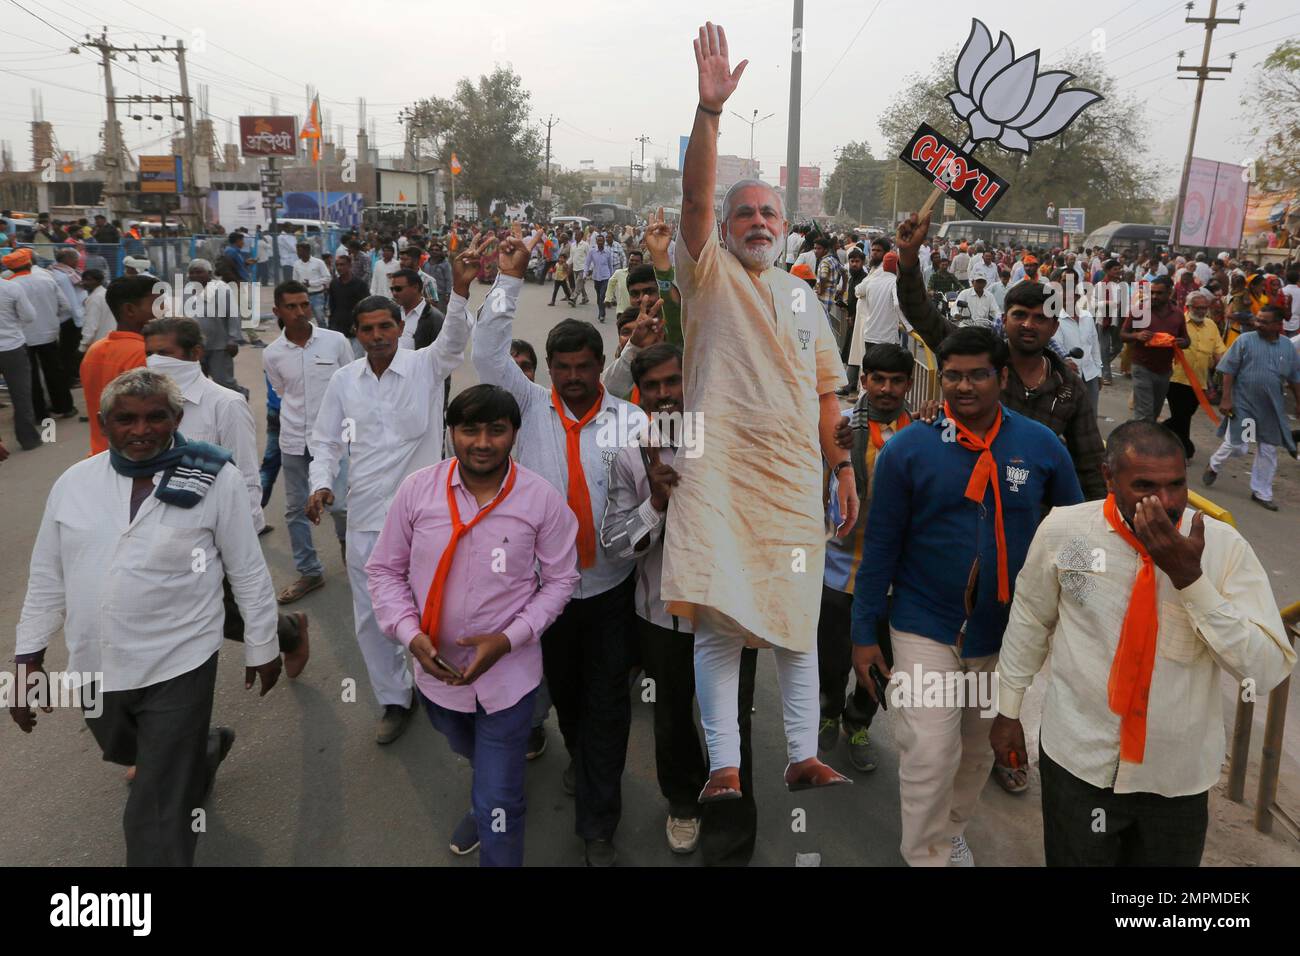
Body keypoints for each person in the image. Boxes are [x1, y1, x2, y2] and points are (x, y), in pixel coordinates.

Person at [663, 23, 854, 811]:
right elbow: (696, 197)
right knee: (717, 624)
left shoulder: (805, 296)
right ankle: (725, 767)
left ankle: (803, 755)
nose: (759, 223)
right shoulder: (704, 274)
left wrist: (843, 469)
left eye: (771, 214)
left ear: (787, 224)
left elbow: (826, 396)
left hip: (791, 483)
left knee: (797, 620)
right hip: (717, 477)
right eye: (746, 213)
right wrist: (709, 114)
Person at [993, 421, 1296, 866]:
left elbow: (1266, 670)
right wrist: (1008, 711)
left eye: (1176, 484)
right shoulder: (1066, 531)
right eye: (1144, 486)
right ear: (1109, 477)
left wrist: (1190, 580)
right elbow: (1030, 618)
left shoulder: (1223, 549)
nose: (1165, 501)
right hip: (1077, 762)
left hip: (1175, 779)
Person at [13, 367, 281, 865]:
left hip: (180, 658)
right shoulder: (74, 483)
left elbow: (246, 569)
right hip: (95, 662)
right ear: (103, 423)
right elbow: (47, 576)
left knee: (155, 808)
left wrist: (264, 644)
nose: (141, 431)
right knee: (122, 746)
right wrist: (27, 659)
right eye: (126, 420)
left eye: (156, 417)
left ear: (177, 418)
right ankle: (199, 750)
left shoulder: (211, 476)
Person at [851, 327, 1083, 866]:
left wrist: (1077, 612)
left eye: (978, 373)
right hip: (923, 625)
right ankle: (925, 855)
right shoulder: (909, 450)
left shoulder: (1041, 446)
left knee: (978, 751)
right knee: (930, 751)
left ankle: (952, 828)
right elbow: (879, 549)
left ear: (1001, 377)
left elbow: (1074, 535)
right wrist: (864, 634)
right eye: (952, 375)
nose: (964, 386)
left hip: (1006, 633)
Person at [472, 226, 645, 867]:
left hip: (608, 592)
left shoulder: (632, 422)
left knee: (607, 707)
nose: (573, 379)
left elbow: (641, 507)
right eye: (562, 368)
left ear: (602, 367)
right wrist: (508, 279)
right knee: (568, 700)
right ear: (548, 370)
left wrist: (639, 531)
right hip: (542, 598)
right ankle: (582, 757)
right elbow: (487, 355)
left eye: (584, 368)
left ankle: (598, 826)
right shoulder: (529, 407)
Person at [367, 384, 578, 865]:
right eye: (469, 429)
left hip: (509, 679)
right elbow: (384, 569)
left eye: (496, 430)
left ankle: (490, 809)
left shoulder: (541, 500)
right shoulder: (417, 490)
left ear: (514, 435)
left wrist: (508, 641)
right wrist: (408, 632)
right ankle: (486, 794)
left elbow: (563, 581)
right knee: (473, 753)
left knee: (499, 797)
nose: (482, 442)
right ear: (452, 433)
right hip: (436, 678)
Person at [307, 245, 476, 745]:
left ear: (399, 327)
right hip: (364, 521)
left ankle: (443, 685)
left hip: (427, 521)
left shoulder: (426, 367)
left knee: (439, 608)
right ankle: (394, 699)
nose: (378, 336)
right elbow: (326, 440)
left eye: (385, 327)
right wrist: (320, 482)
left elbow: (453, 343)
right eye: (367, 330)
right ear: (355, 336)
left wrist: (462, 291)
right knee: (373, 618)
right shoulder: (343, 382)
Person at [600, 342, 758, 862]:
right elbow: (616, 546)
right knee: (670, 718)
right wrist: (657, 504)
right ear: (641, 393)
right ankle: (683, 804)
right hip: (660, 617)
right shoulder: (627, 453)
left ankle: (731, 826)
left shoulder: (731, 443)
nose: (667, 395)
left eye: (676, 382)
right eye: (656, 387)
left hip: (727, 615)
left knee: (732, 721)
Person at [142, 316, 309, 676]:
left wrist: (244, 536)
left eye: (165, 353)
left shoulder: (224, 404)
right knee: (173, 612)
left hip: (212, 532)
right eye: (149, 354)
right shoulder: (143, 407)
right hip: (158, 529)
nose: (155, 362)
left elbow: (247, 476)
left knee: (219, 612)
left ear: (195, 353)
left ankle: (289, 634)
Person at [820, 343, 913, 773]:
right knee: (830, 656)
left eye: (897, 381)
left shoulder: (924, 433)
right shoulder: (837, 430)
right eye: (878, 379)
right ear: (865, 381)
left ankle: (857, 723)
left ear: (909, 385)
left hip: (895, 581)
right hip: (837, 571)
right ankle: (827, 711)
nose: (887, 389)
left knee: (880, 661)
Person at [263, 280, 354, 604]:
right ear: (278, 311)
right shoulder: (272, 354)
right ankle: (309, 571)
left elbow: (352, 384)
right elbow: (282, 392)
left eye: (304, 304)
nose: (301, 312)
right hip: (293, 441)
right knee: (294, 510)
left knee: (341, 506)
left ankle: (350, 553)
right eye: (292, 306)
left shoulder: (335, 342)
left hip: (334, 441)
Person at [1202, 303, 1300, 511]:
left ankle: (1262, 492)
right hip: (1244, 403)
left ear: (1277, 325)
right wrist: (1226, 398)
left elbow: (1294, 377)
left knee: (1268, 448)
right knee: (1239, 445)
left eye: (1264, 322)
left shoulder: (1287, 346)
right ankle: (1214, 464)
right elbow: (1228, 370)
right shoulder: (1245, 340)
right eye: (1257, 320)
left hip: (1271, 407)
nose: (1258, 324)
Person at [80, 276, 159, 454]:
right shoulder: (145, 354)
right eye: (158, 305)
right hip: (137, 454)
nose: (165, 309)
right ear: (130, 309)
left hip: (102, 452)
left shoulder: (95, 350)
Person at [4, 248, 78, 422]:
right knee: (55, 371)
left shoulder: (10, 283)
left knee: (31, 376)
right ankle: (64, 407)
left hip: (24, 337)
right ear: (30, 262)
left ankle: (39, 414)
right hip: (49, 334)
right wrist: (52, 319)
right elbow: (65, 306)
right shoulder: (46, 277)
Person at [1162, 290, 1225, 460]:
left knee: (1184, 415)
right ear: (1188, 307)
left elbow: (1219, 350)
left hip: (1200, 381)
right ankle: (1186, 450)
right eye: (1197, 307)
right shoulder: (1177, 321)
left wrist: (1224, 367)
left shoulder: (1211, 325)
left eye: (1204, 307)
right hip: (1176, 378)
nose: (1201, 311)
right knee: (1181, 415)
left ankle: (1157, 431)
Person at [1122, 275, 1189, 423]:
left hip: (1164, 370)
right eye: (1152, 292)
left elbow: (1186, 340)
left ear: (1169, 292)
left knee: (1154, 411)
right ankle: (1141, 443)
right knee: (1145, 414)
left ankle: (1136, 433)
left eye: (1159, 293)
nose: (1154, 296)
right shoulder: (1139, 310)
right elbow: (1123, 335)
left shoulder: (1177, 314)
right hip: (1142, 367)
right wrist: (1137, 335)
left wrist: (1181, 342)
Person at [0, 270, 40, 451]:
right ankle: (28, 439)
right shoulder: (11, 288)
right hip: (11, 347)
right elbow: (29, 316)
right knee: (21, 395)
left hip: (11, 345)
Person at [388, 268, 444, 351]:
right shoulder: (391, 313)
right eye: (392, 289)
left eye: (398, 289)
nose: (394, 293)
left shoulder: (435, 318)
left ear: (415, 288)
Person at [326, 253, 371, 357]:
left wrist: (359, 324)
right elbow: (332, 305)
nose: (339, 267)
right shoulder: (334, 284)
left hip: (355, 330)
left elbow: (366, 306)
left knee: (356, 360)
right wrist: (331, 325)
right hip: (338, 328)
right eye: (337, 265)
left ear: (350, 266)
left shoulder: (360, 284)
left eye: (342, 264)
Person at [292, 241, 331, 321]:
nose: (298, 253)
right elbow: (295, 280)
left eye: (300, 251)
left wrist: (311, 283)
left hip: (317, 295)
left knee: (320, 319)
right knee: (304, 319)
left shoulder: (319, 263)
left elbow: (327, 278)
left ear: (307, 251)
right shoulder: (296, 264)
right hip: (303, 297)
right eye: (297, 251)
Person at [585, 233, 615, 323]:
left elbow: (610, 266)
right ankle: (601, 312)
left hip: (606, 277)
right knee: (599, 297)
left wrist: (612, 277)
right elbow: (587, 263)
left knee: (602, 296)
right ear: (596, 242)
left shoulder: (607, 252)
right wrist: (585, 273)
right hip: (596, 277)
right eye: (598, 241)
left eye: (601, 241)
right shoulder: (592, 251)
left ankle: (602, 314)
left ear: (604, 241)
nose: (600, 242)